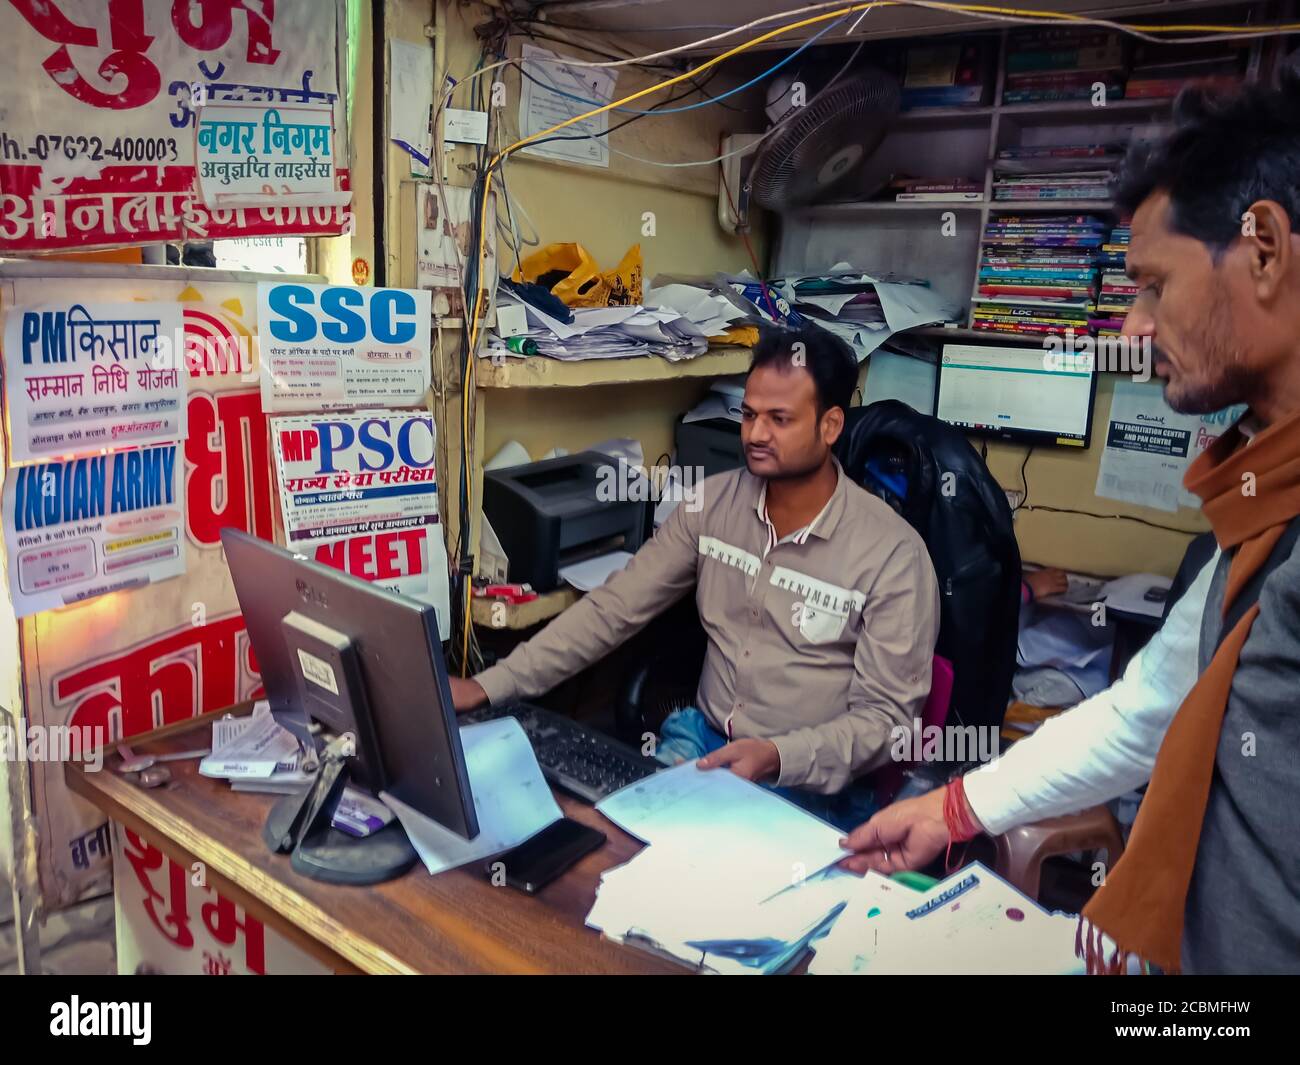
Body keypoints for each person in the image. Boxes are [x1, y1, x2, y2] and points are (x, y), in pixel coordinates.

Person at [841, 76, 1300, 975]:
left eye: (1153, 287)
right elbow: (1142, 713)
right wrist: (952, 809)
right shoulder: (1262, 508)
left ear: (1267, 250)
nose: (1132, 325)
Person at [451, 324, 940, 830]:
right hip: (702, 743)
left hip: (809, 779)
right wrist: (490, 686)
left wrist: (777, 755)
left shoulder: (893, 555)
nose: (754, 434)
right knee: (595, 841)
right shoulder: (710, 504)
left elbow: (886, 723)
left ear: (831, 425)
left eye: (780, 419)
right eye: (749, 415)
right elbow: (612, 609)